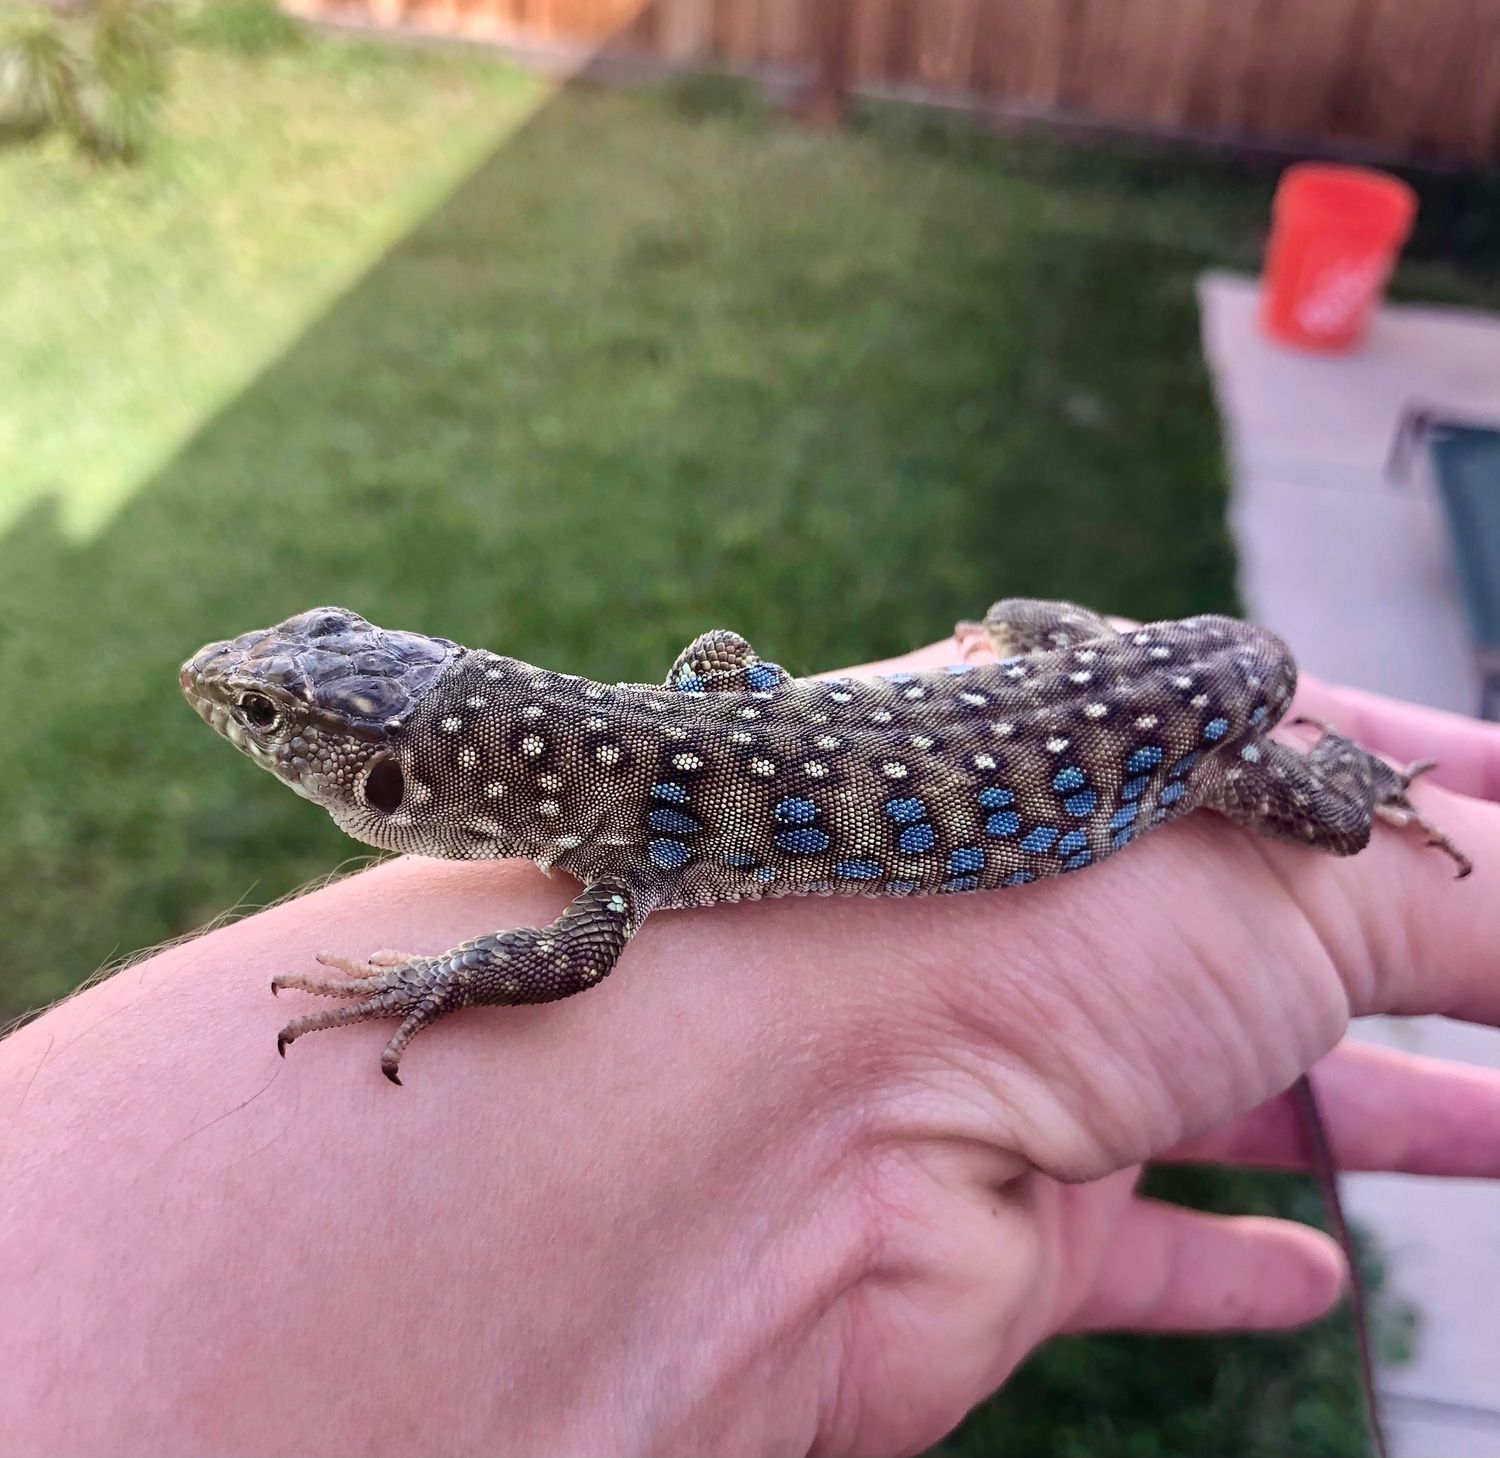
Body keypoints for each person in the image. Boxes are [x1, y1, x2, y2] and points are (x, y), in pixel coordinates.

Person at [2, 632, 1498, 1457]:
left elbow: (583, 952)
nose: (234, 701)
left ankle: (1359, 772)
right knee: (1021, 650)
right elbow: (718, 663)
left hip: (1195, 731)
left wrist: (435, 979)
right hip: (1116, 673)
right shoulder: (642, 772)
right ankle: (1054, 636)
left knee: (1326, 816)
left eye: (273, 709)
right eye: (277, 703)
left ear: (395, 775)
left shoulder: (621, 850)